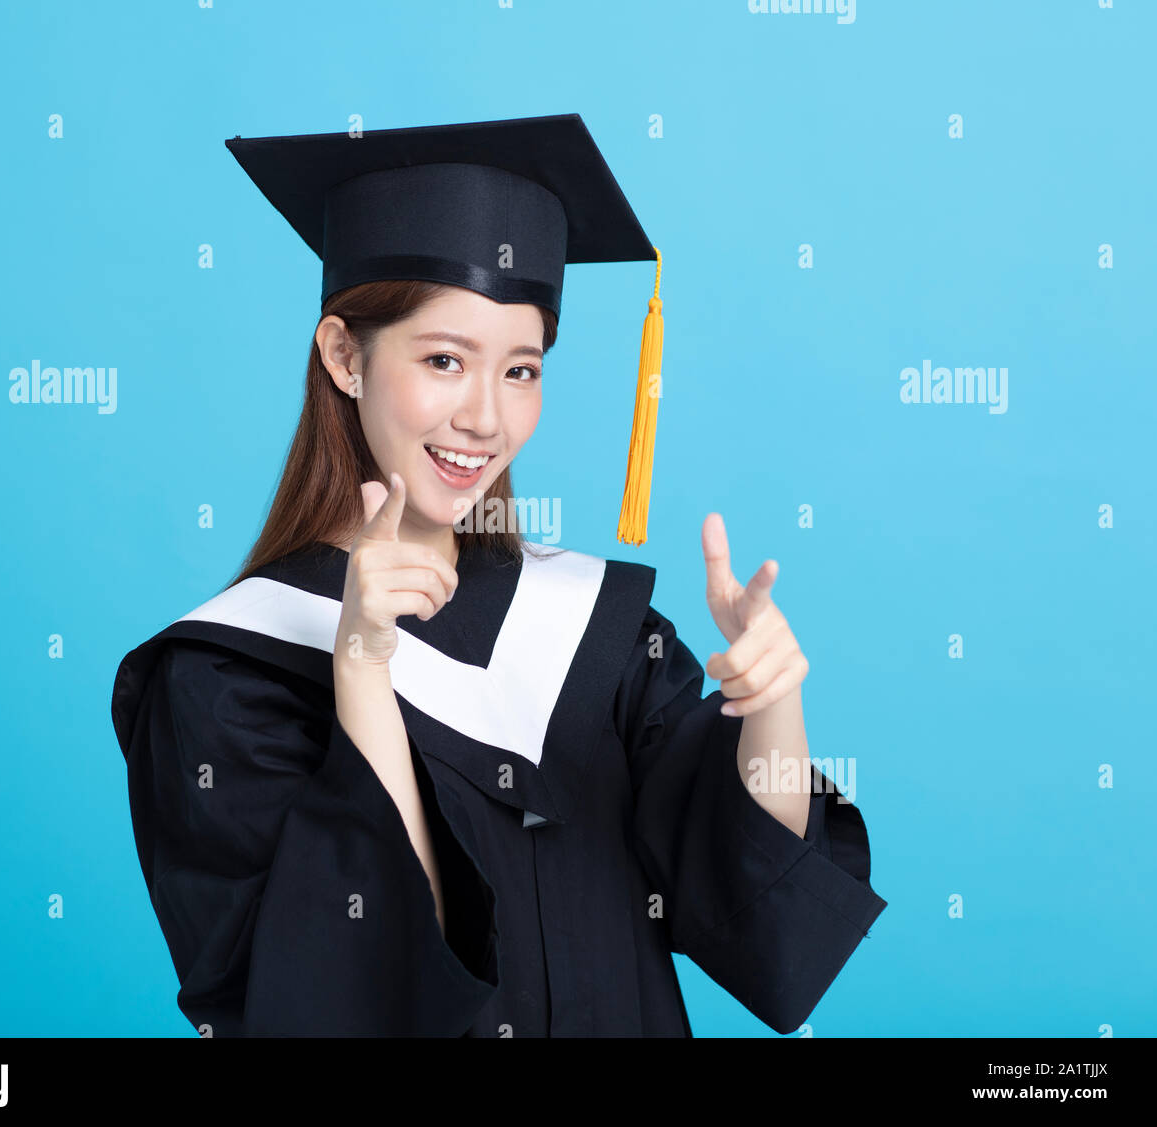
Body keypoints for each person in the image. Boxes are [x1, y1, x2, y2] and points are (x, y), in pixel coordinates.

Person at [110, 113, 887, 1037]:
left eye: (522, 369)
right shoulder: (226, 678)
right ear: (343, 355)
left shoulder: (599, 637)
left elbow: (749, 896)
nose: (484, 417)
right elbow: (337, 996)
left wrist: (773, 699)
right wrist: (361, 674)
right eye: (444, 360)